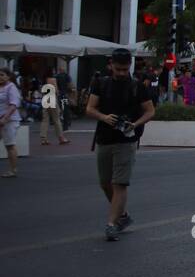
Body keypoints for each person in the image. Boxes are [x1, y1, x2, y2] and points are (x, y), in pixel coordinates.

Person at [84, 49, 155, 240]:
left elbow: (150, 111)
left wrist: (135, 124)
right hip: (104, 138)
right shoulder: (101, 83)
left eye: (125, 69)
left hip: (127, 140)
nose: (122, 73)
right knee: (105, 183)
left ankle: (112, 224)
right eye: (118, 69)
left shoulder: (137, 86)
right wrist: (104, 117)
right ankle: (122, 215)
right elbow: (90, 109)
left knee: (120, 183)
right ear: (111, 66)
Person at [0, 68, 21, 178]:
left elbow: (13, 105)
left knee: (10, 145)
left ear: (8, 76)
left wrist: (5, 118)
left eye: (2, 75)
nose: (0, 77)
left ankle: (13, 170)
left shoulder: (11, 88)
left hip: (9, 120)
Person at [39, 73, 70, 145]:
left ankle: (43, 139)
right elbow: (56, 90)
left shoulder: (44, 80)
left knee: (45, 119)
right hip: (52, 98)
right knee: (56, 119)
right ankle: (61, 138)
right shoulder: (53, 79)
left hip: (45, 98)